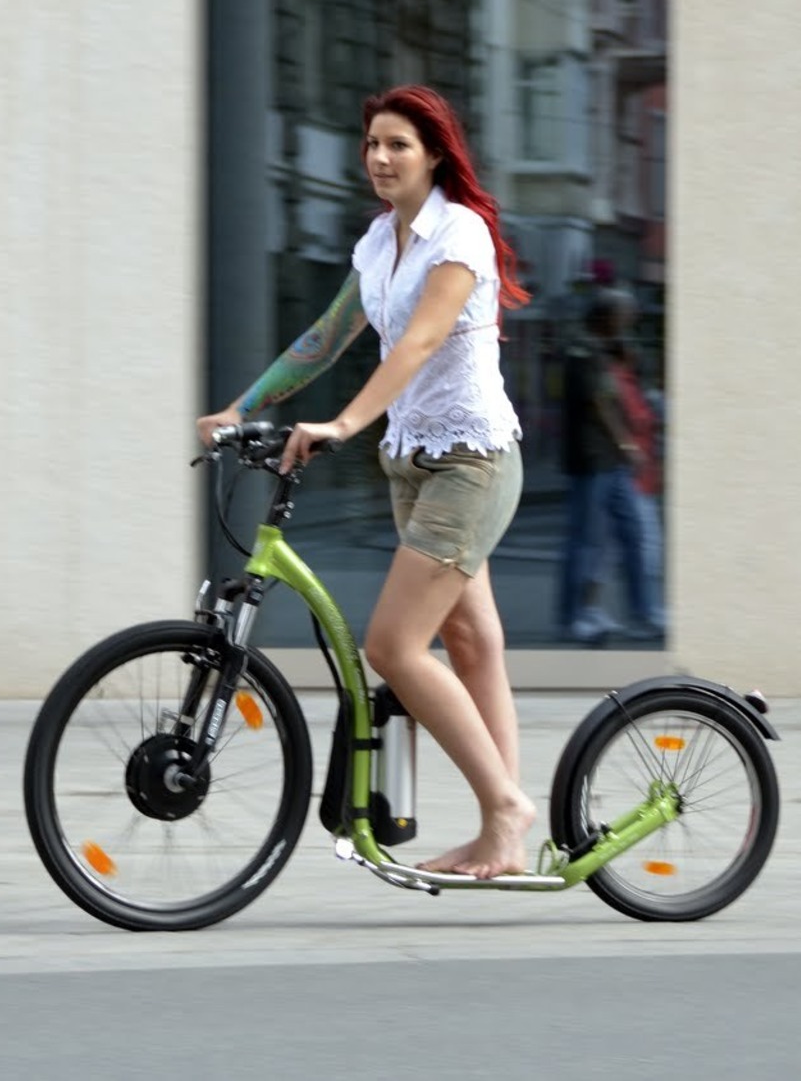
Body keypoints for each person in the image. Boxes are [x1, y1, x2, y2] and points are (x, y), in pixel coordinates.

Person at [197, 84, 535, 880]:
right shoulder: (381, 242)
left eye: (398, 146)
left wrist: (342, 425)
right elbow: (325, 338)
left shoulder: (462, 236)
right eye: (372, 146)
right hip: (414, 462)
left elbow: (416, 344)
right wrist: (239, 407)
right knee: (471, 643)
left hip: (472, 461)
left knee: (393, 645)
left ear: (435, 155)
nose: (380, 159)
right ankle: (507, 838)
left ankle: (505, 808)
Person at [555, 290, 665, 645]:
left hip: (613, 462)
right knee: (586, 542)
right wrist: (627, 444)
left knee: (634, 535)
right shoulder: (582, 350)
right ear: (606, 317)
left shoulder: (605, 351)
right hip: (593, 460)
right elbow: (599, 403)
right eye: (624, 316)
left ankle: (645, 611)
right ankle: (574, 617)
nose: (628, 323)